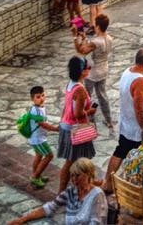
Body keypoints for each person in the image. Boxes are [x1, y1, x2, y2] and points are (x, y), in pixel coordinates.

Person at [103, 47, 143, 192]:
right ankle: (141, 188)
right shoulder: (139, 82)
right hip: (136, 129)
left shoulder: (128, 71)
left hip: (126, 123)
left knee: (120, 151)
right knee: (142, 158)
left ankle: (107, 183)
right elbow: (139, 109)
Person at [7, 157, 107, 225]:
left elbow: (96, 222)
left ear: (88, 174)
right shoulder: (70, 192)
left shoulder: (97, 195)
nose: (74, 179)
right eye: (72, 175)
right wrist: (22, 219)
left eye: (78, 175)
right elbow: (49, 208)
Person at [56, 57, 96, 193]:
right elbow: (78, 114)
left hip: (66, 125)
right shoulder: (80, 90)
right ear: (82, 71)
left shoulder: (70, 84)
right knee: (71, 162)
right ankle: (62, 191)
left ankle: (79, 185)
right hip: (75, 130)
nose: (89, 69)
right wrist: (91, 111)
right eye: (87, 67)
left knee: (72, 161)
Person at [74, 14, 114, 131]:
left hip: (92, 73)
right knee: (102, 95)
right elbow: (91, 46)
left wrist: (75, 38)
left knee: (87, 97)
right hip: (104, 69)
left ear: (97, 26)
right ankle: (109, 120)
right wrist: (85, 38)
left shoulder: (95, 41)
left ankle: (89, 120)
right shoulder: (109, 38)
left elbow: (81, 51)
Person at [25, 84, 60, 187]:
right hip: (38, 139)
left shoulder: (40, 107)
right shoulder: (35, 110)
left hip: (37, 138)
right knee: (49, 156)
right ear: (32, 98)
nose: (41, 98)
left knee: (39, 156)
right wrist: (55, 129)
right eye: (38, 97)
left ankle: (37, 175)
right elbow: (42, 124)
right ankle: (35, 177)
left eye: (43, 95)